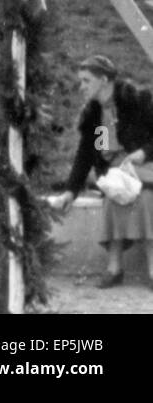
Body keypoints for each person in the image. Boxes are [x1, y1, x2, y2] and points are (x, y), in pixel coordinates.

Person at [54, 55, 153, 290]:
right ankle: (114, 268)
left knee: (146, 198)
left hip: (145, 165)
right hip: (117, 171)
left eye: (86, 81)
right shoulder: (95, 115)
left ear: (104, 80)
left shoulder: (137, 100)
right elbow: (87, 154)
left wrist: (143, 152)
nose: (82, 87)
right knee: (114, 193)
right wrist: (70, 191)